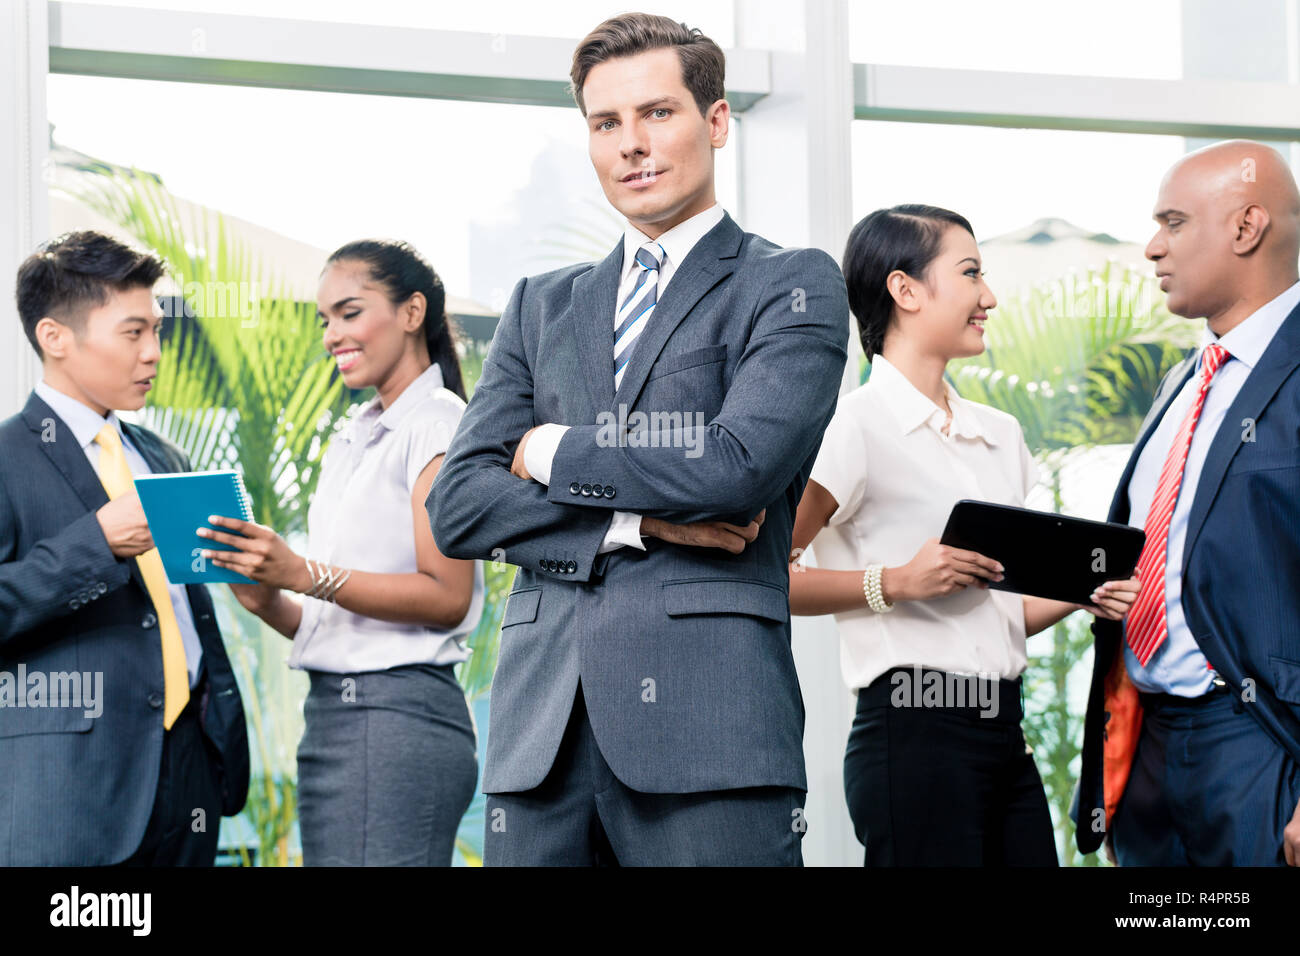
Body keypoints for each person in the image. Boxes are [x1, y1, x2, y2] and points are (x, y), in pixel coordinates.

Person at [428, 12, 848, 866]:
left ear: (717, 122)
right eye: (605, 123)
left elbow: (736, 468)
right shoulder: (540, 304)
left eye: (658, 113)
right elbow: (461, 506)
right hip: (538, 740)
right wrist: (640, 523)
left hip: (711, 737)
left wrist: (548, 450)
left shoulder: (790, 284)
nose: (631, 144)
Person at [788, 205, 1141, 866]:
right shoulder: (852, 427)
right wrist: (894, 582)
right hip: (912, 734)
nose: (990, 297)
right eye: (971, 272)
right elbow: (767, 578)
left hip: (1006, 733)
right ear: (906, 290)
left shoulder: (1000, 434)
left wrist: (1084, 591)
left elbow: (998, 613)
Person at [200, 239, 481, 866]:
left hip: (394, 719)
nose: (331, 334)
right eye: (324, 319)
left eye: (349, 312)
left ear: (412, 312)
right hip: (338, 716)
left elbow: (447, 594)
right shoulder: (354, 437)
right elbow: (339, 624)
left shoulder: (435, 424)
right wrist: (266, 597)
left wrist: (301, 571)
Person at [1074, 140, 1300, 866]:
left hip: (1261, 743)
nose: (1151, 247)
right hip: (1151, 748)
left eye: (1173, 222)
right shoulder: (1179, 384)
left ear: (1246, 227)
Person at [0, 230, 249, 865]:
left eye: (157, 332)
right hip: (73, 786)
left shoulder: (164, 457)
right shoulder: (5, 458)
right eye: (133, 333)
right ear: (55, 337)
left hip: (189, 765)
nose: (154, 353)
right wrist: (96, 544)